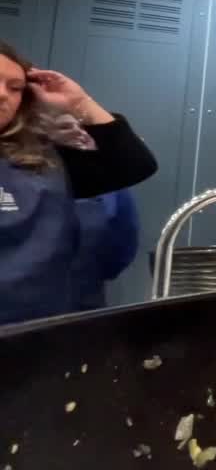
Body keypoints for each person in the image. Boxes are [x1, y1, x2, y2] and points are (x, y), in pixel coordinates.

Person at [0, 41, 157, 324]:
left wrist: (79, 104)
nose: (3, 95)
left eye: (15, 87)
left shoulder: (42, 161)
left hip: (40, 337)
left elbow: (135, 164)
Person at [48, 113, 141, 311]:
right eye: (65, 127)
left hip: (84, 307)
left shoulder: (110, 185)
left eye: (82, 127)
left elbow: (122, 248)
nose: (76, 131)